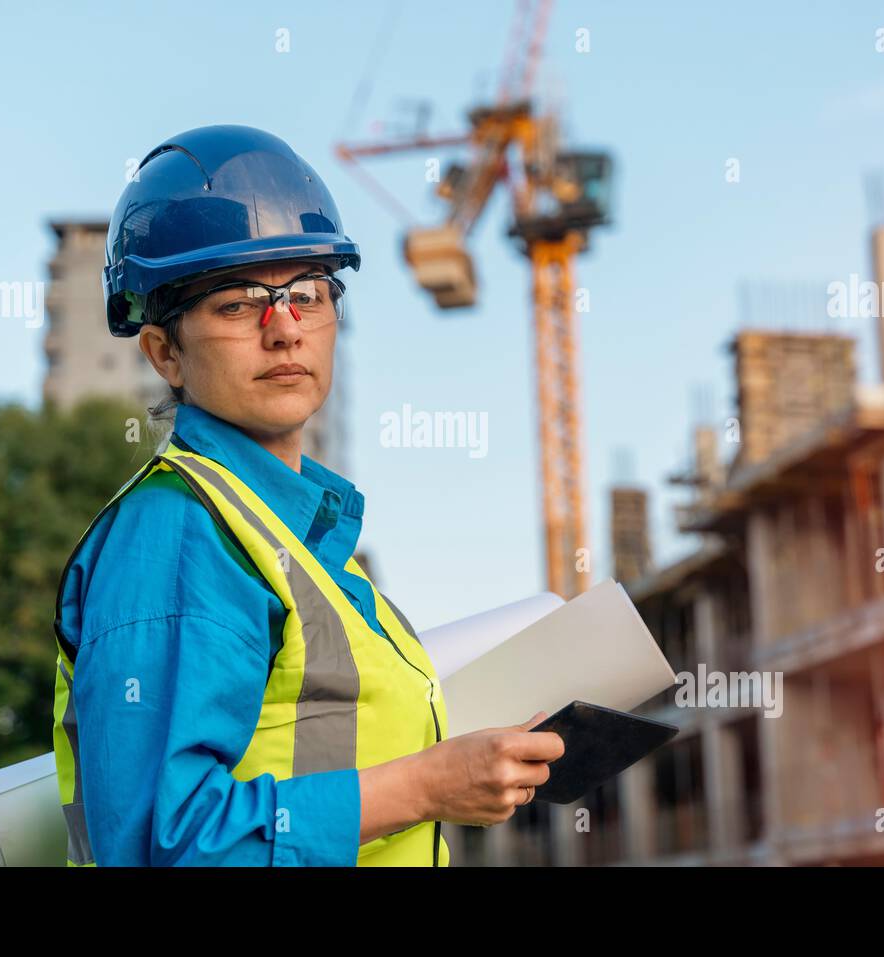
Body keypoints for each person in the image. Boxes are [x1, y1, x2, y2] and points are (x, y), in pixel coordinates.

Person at [51, 125, 563, 866]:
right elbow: (164, 843)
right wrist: (425, 785)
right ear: (164, 351)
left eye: (307, 292)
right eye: (236, 302)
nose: (284, 327)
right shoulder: (181, 532)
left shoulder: (308, 546)